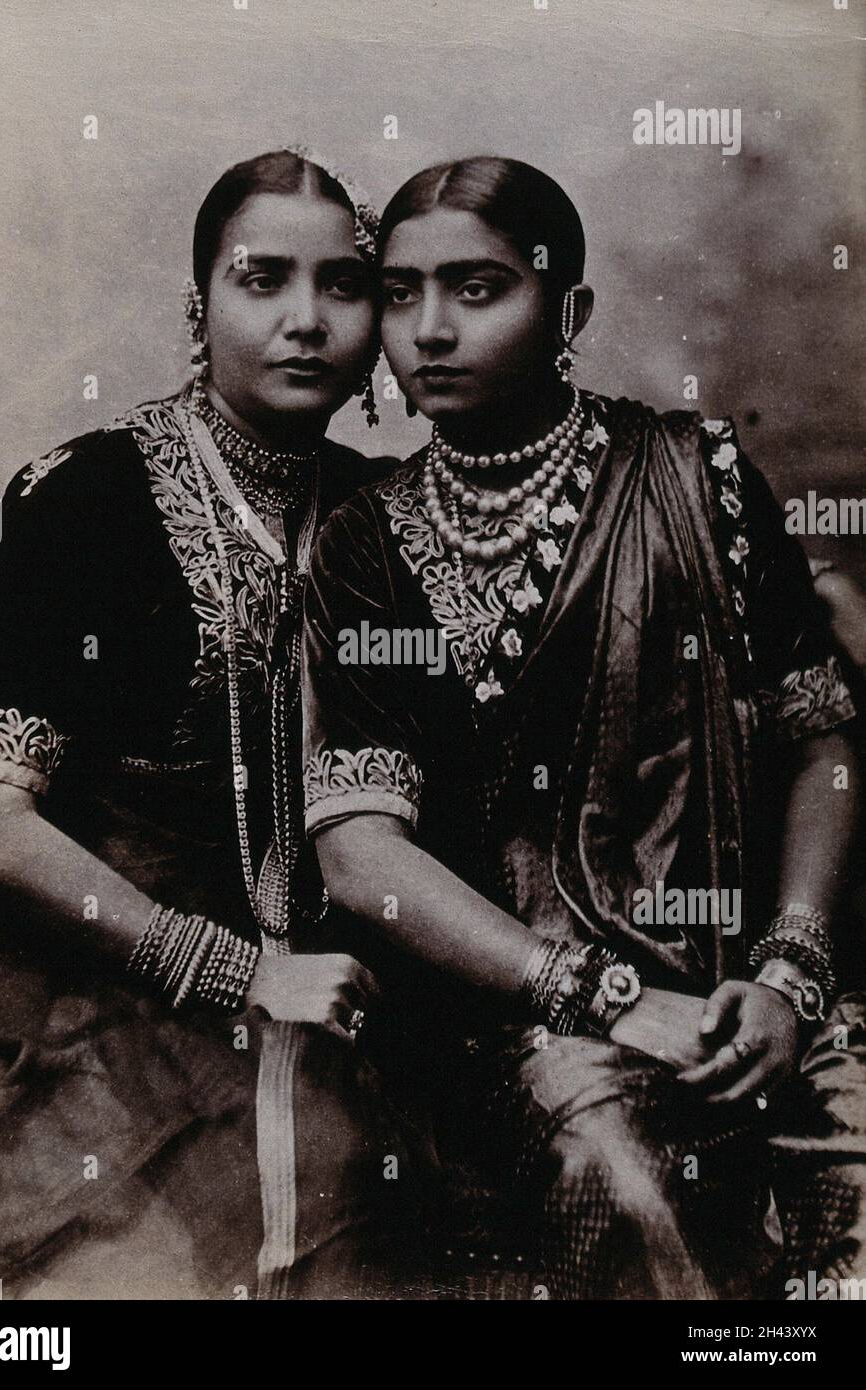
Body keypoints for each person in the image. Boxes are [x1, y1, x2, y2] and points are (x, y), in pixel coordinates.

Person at [302, 156, 865, 1298]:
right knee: (624, 1183)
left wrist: (791, 970)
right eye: (400, 293)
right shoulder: (366, 541)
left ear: (568, 313)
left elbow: (820, 741)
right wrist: (599, 996)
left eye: (476, 288)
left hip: (743, 990)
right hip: (511, 1024)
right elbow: (363, 857)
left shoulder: (693, 474)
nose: (428, 331)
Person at [0, 148, 419, 1300]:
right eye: (263, 281)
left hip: (317, 997)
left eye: (343, 284)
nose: (306, 320)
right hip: (66, 1001)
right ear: (198, 312)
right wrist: (228, 968)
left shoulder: (378, 516)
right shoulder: (81, 499)